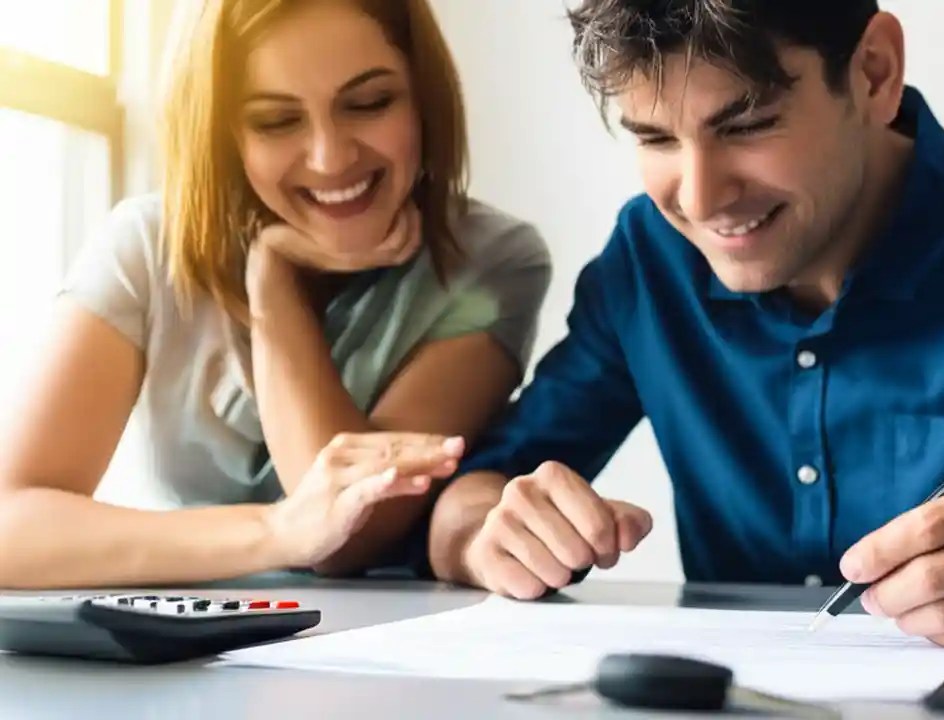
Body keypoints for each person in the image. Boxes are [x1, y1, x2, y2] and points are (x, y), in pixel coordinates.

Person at [423, 0, 944, 650]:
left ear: (872, 71)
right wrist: (491, 536)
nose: (699, 195)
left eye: (748, 124)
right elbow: (470, 498)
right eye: (654, 137)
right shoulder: (646, 259)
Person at [0, 0, 550, 589]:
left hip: (383, 648)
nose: (330, 157)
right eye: (275, 121)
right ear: (222, 132)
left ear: (423, 96)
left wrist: (273, 281)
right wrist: (276, 529)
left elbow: (349, 534)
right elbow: (10, 525)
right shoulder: (145, 247)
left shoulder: (492, 262)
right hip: (177, 647)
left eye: (368, 104)